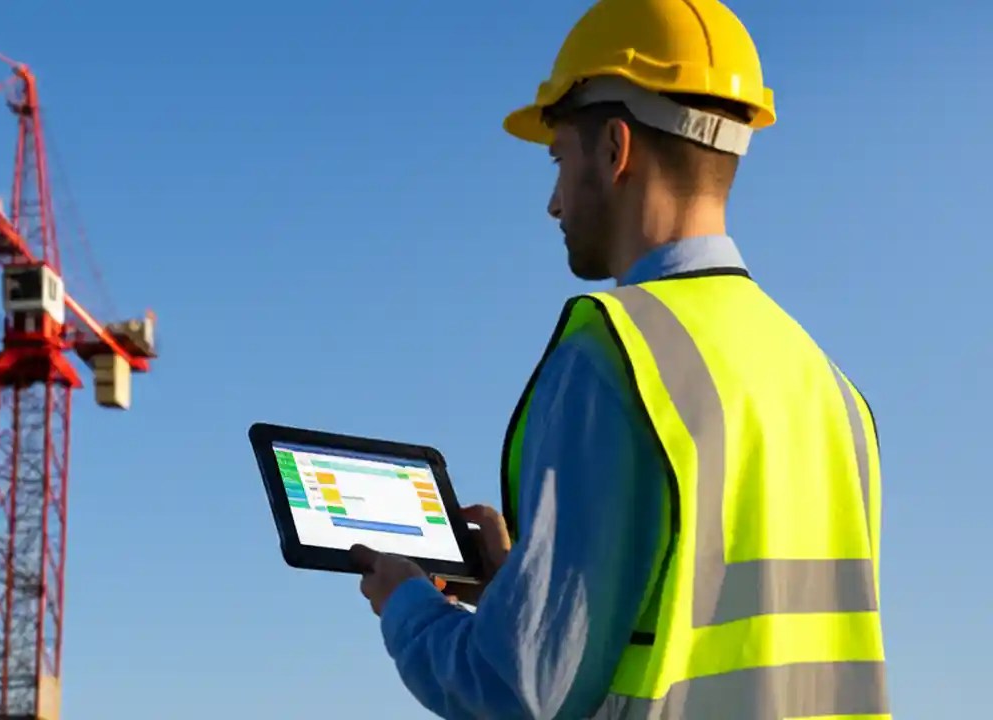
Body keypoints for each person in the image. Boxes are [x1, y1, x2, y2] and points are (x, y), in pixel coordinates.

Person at [347, 0, 891, 717]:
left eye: (558, 160)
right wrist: (526, 590)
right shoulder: (829, 387)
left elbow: (516, 694)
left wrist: (406, 605)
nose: (552, 203)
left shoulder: (614, 354)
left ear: (613, 149)